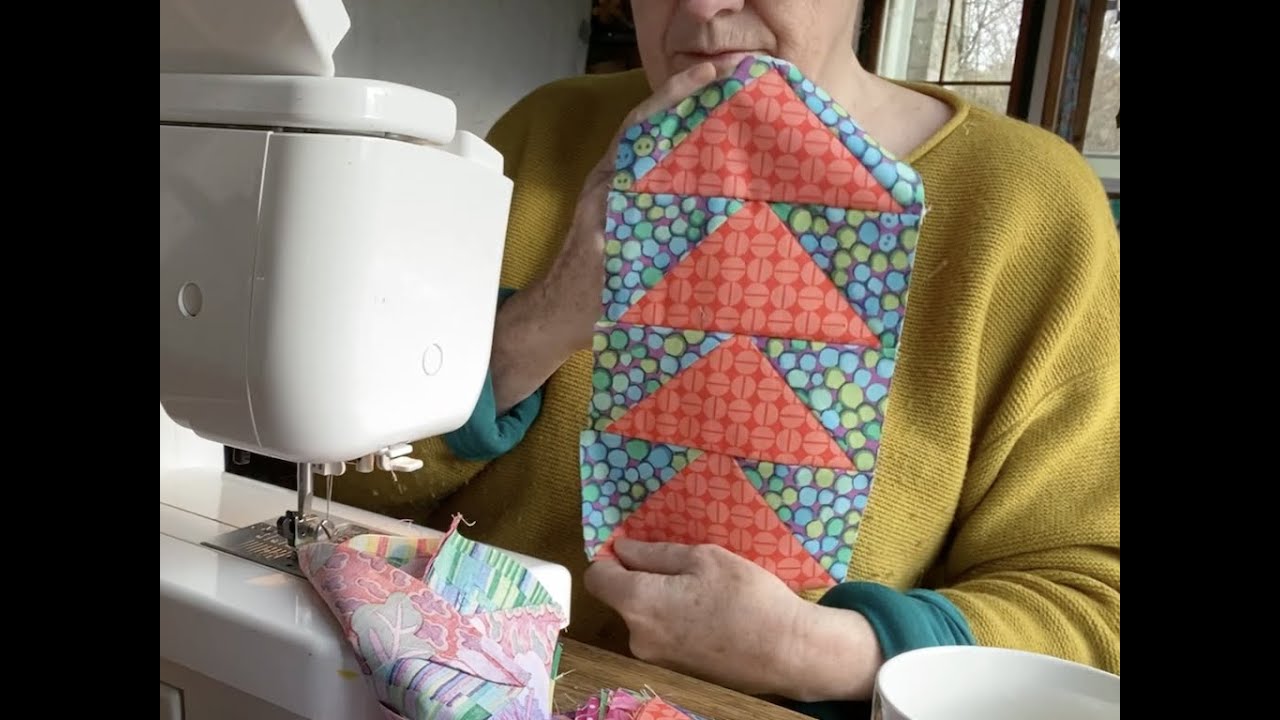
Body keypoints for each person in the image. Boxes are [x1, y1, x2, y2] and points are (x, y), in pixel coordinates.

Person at [334, 1, 1120, 716]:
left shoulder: (1028, 212)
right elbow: (341, 474)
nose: (702, 7)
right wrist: (542, 320)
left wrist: (815, 652)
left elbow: (1090, 605)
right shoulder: (541, 139)